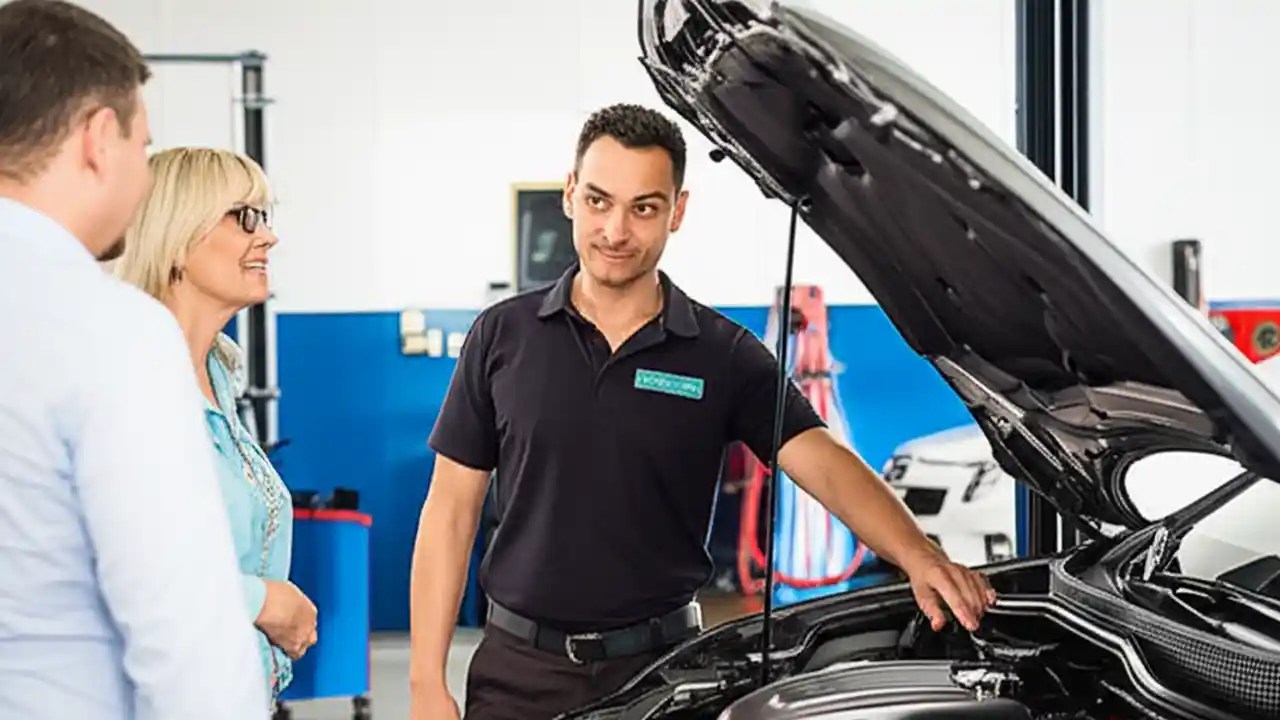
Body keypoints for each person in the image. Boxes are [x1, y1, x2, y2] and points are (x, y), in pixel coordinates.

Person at [408, 103, 998, 720]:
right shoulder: (502, 336)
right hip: (518, 676)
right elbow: (450, 511)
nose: (615, 231)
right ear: (570, 194)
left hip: (664, 679)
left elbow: (822, 459)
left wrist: (919, 556)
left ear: (677, 211)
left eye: (644, 208)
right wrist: (426, 681)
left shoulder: (722, 355)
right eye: (599, 201)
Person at [0, 1, 270, 718]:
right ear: (98, 139)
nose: (145, 180)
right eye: (143, 148)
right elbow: (185, 634)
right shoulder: (111, 332)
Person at [113, 146, 317, 701]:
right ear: (176, 236)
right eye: (244, 217)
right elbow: (113, 569)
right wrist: (265, 603)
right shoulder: (129, 376)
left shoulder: (218, 373)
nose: (268, 237)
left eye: (265, 217)